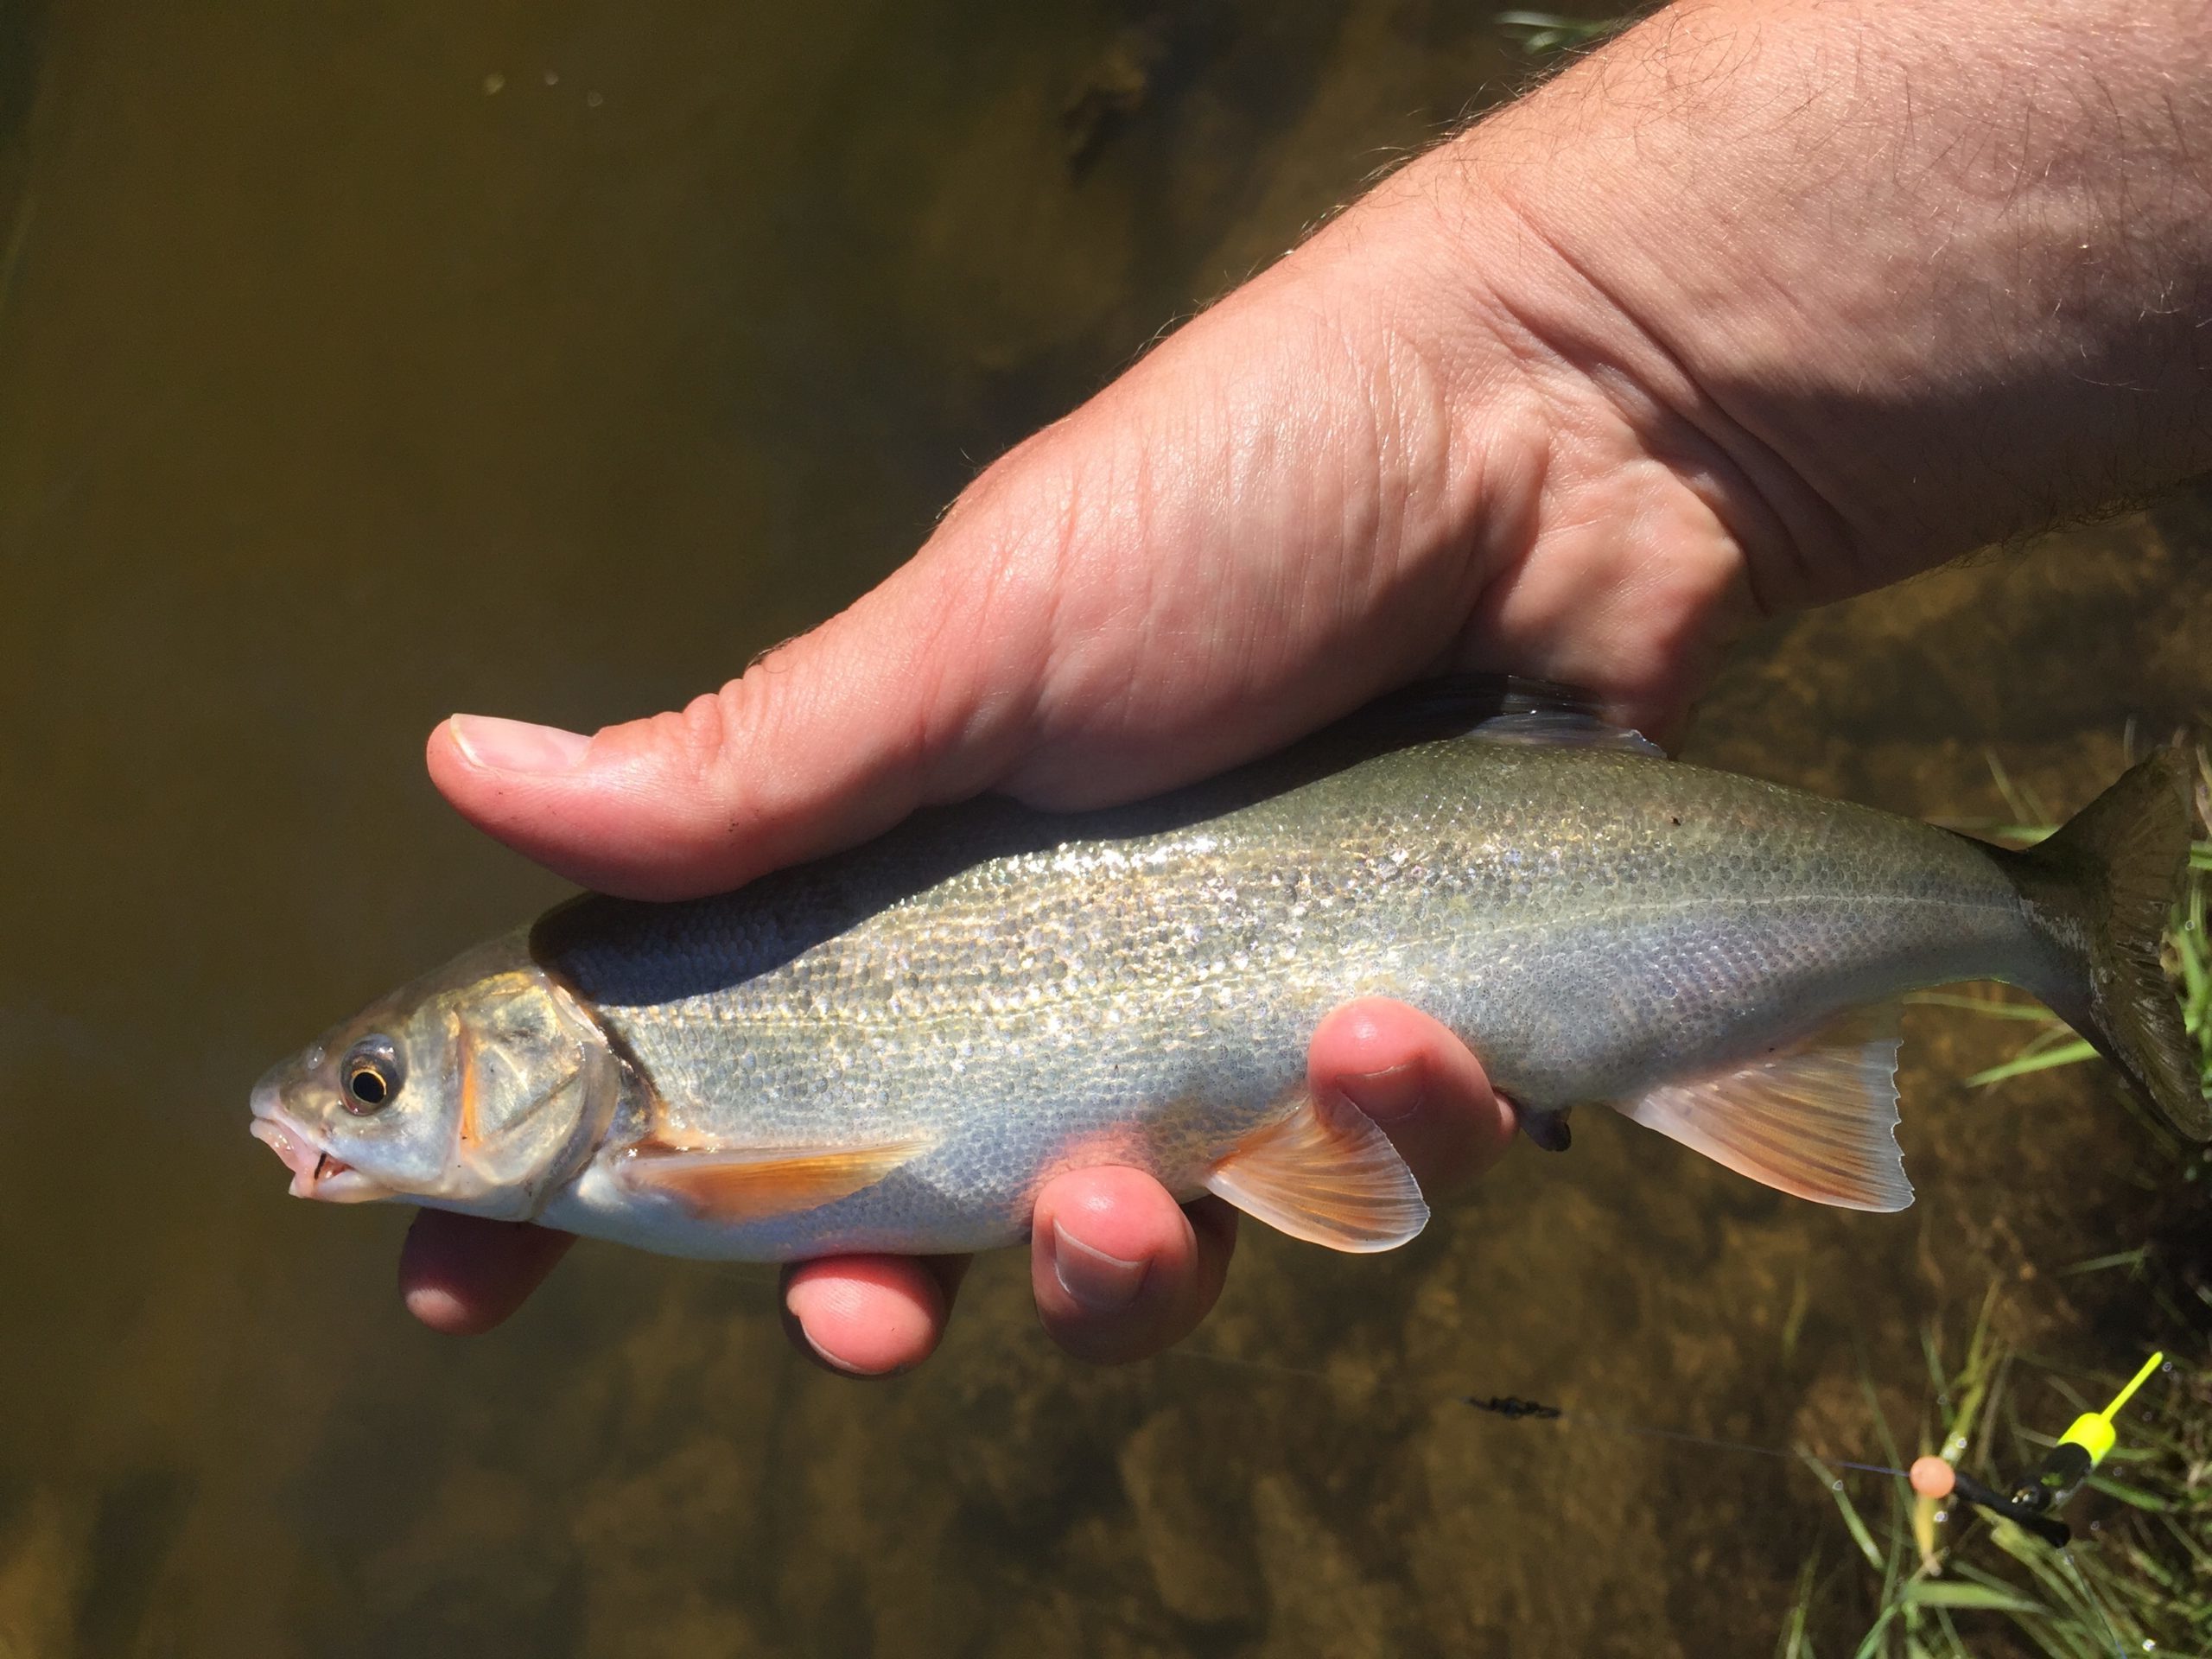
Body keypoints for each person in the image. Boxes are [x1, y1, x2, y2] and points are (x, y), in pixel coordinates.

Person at [396, 0, 2212, 1376]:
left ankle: (2044, 910)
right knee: (1299, 1147)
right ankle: (2032, 908)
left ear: (514, 1053)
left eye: (378, 1082)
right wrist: (1564, 367)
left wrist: (1554, 375)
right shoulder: (615, 1098)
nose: (332, 1119)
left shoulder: (639, 1118)